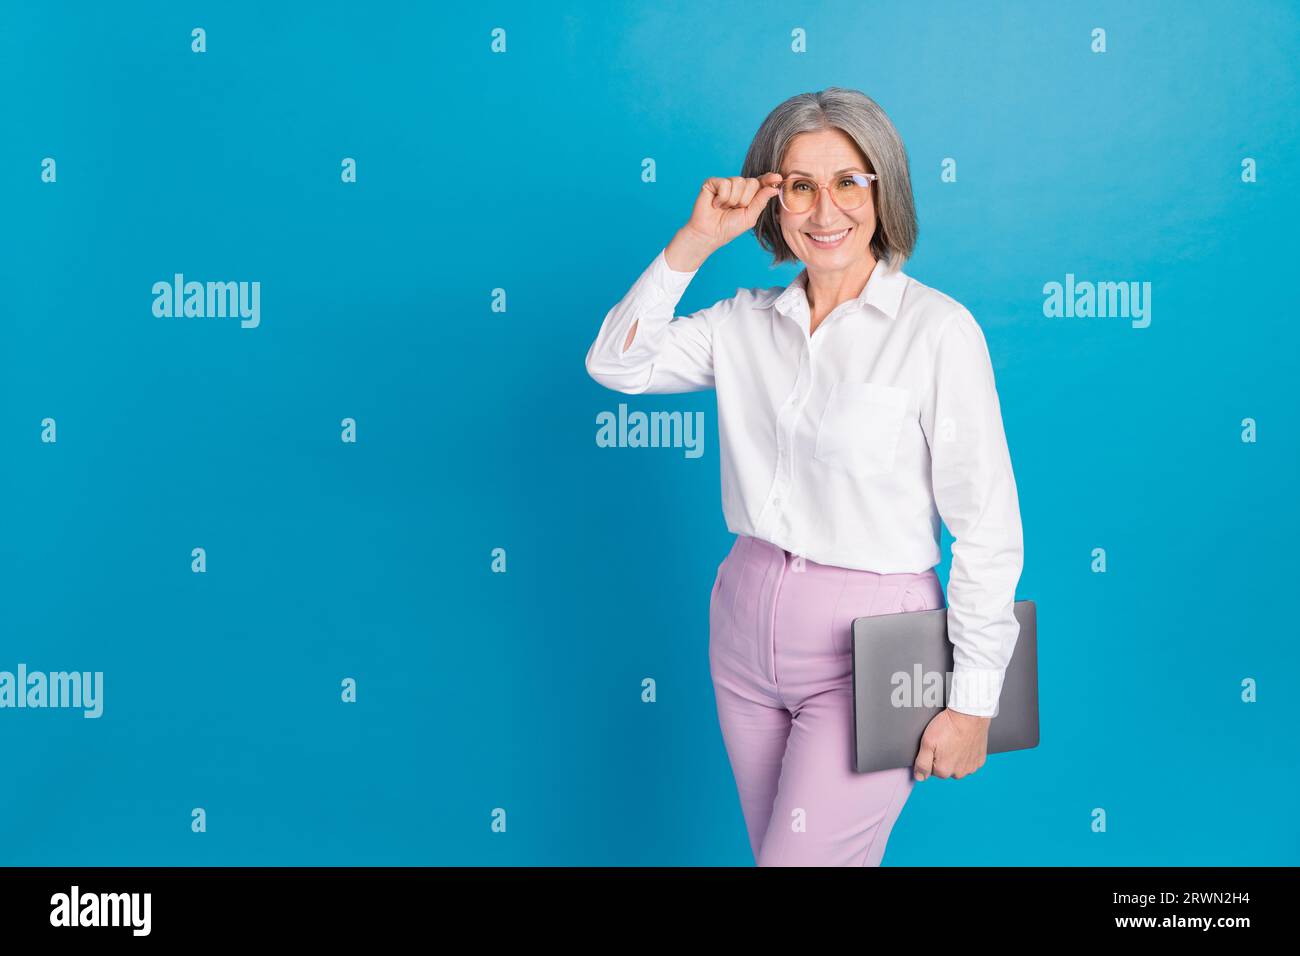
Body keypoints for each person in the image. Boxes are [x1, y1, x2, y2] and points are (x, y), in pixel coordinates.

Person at [584, 87, 1024, 866]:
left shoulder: (937, 332)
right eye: (799, 185)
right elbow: (616, 365)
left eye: (849, 181)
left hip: (876, 644)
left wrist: (975, 702)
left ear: (884, 190)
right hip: (745, 629)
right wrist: (692, 243)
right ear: (771, 200)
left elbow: (986, 526)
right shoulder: (741, 324)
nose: (826, 210)